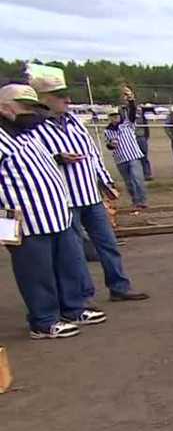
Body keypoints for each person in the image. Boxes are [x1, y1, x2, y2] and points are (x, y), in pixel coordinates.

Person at [29, 76, 150, 303]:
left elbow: (92, 154)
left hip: (90, 195)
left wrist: (105, 182)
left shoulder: (74, 122)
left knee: (108, 244)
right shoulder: (34, 128)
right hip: (64, 199)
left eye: (67, 95)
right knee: (75, 251)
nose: (67, 99)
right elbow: (30, 160)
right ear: (44, 99)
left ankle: (119, 287)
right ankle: (83, 296)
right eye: (61, 96)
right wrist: (57, 158)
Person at [1, 84, 106, 339]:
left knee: (69, 264)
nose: (32, 113)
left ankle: (73, 308)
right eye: (25, 107)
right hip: (26, 220)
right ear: (4, 108)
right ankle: (43, 321)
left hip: (57, 214)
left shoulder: (27, 134)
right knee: (36, 272)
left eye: (34, 107)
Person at [103, 110, 149, 210]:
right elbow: (108, 145)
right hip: (120, 159)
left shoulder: (127, 124)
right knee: (129, 182)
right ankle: (135, 201)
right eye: (112, 116)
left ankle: (142, 200)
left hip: (133, 156)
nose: (115, 118)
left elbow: (132, 114)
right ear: (109, 118)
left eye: (116, 116)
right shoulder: (107, 131)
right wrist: (111, 145)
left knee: (137, 179)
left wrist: (130, 102)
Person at [120, 86, 153, 181]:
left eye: (128, 94)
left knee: (143, 156)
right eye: (125, 94)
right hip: (128, 137)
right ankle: (134, 175)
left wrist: (146, 134)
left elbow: (144, 122)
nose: (126, 97)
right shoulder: (121, 110)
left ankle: (147, 174)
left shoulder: (139, 108)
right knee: (131, 157)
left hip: (140, 135)